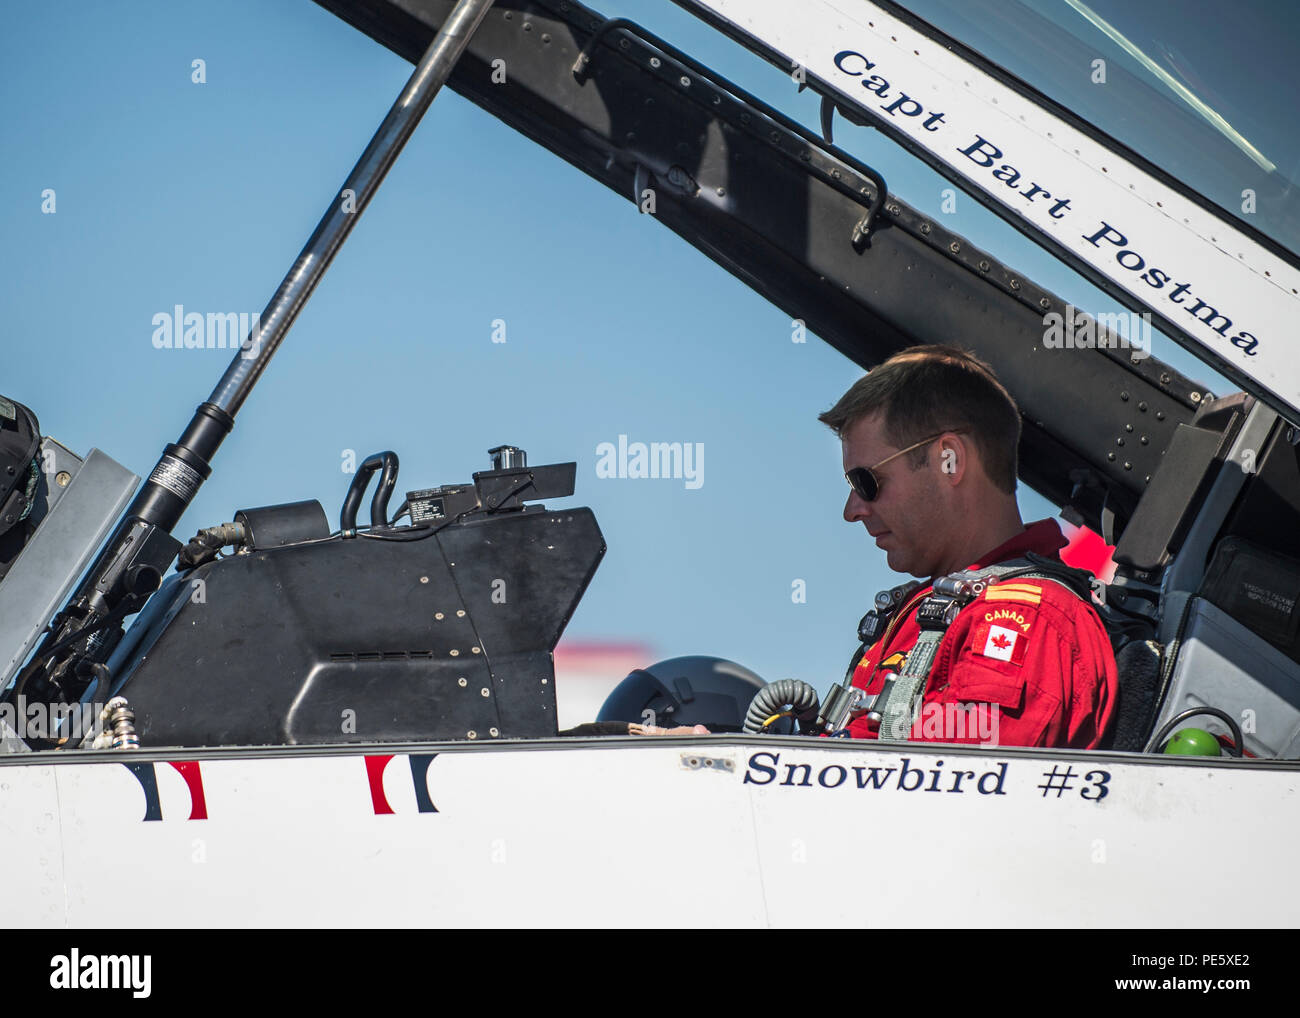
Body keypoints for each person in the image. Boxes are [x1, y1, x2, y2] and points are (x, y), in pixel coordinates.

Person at [819, 344, 1117, 748]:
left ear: (950, 461)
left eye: (867, 483)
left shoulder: (1024, 619)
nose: (852, 510)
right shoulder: (943, 607)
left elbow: (957, 792)